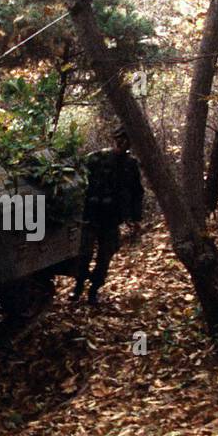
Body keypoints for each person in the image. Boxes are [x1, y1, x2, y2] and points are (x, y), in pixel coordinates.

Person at [72, 128, 144, 304]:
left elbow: (136, 192)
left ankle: (94, 291)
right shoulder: (96, 158)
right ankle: (78, 287)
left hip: (112, 219)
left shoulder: (131, 164)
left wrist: (135, 218)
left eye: (126, 142)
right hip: (91, 215)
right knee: (84, 255)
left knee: (105, 257)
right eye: (120, 140)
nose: (122, 144)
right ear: (114, 140)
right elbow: (77, 181)